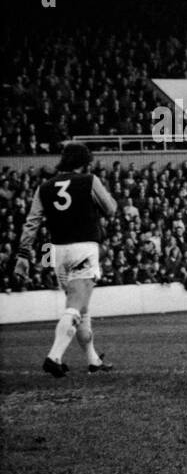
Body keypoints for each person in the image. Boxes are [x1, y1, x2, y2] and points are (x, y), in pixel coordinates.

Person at [13, 142, 117, 376]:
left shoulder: (44, 187)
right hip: (85, 248)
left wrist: (23, 254)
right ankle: (54, 356)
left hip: (57, 251)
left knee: (81, 308)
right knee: (74, 308)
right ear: (85, 161)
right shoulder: (89, 180)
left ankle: (93, 361)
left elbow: (32, 223)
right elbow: (111, 209)